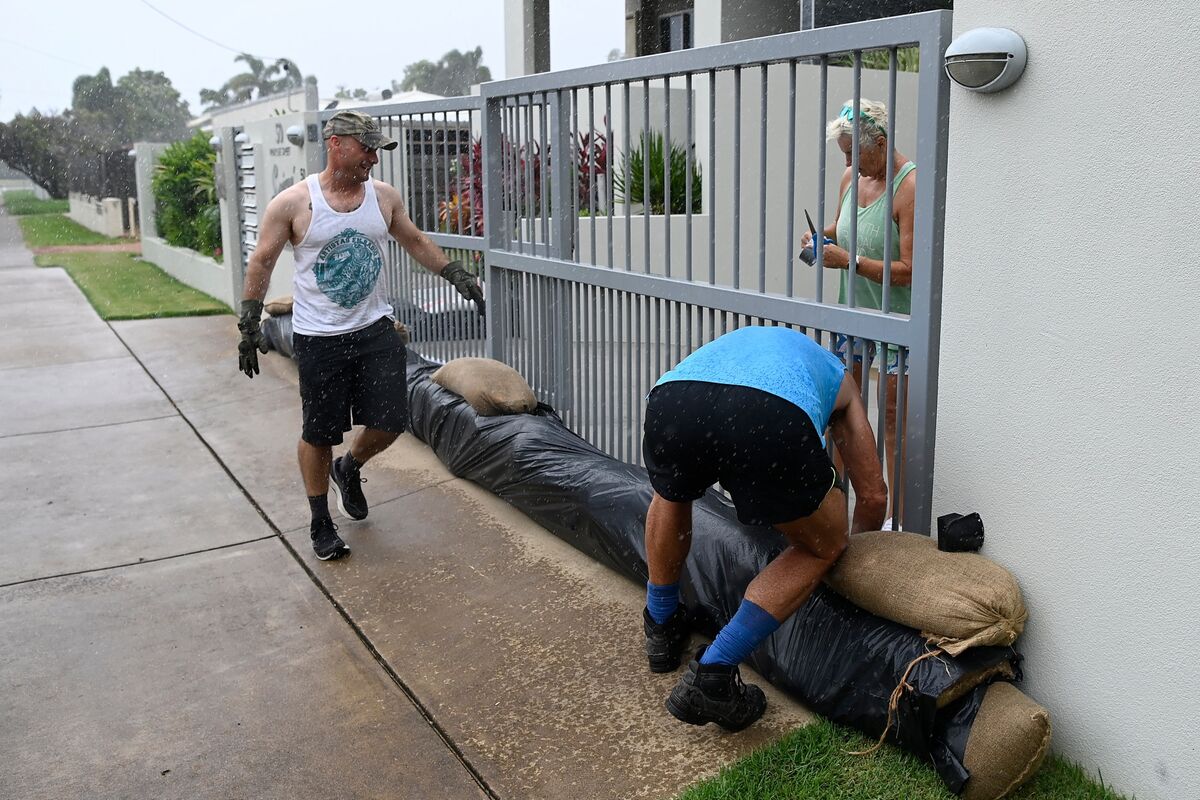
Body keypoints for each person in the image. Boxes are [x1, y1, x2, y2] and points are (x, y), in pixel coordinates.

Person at [236, 110, 484, 561]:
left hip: (375, 329)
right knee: (319, 434)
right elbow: (262, 261)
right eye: (366, 147)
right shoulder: (293, 204)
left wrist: (456, 273)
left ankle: (349, 468)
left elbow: (414, 240)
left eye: (376, 149)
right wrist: (250, 322)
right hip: (320, 338)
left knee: (390, 421)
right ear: (336, 144)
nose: (373, 157)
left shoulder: (383, 197)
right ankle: (320, 521)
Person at [641, 325, 887, 731]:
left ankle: (661, 625)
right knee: (821, 547)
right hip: (765, 414)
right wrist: (841, 554)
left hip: (673, 398)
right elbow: (874, 496)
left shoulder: (769, 348)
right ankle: (715, 674)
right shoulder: (841, 381)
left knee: (671, 495)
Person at [800, 98, 916, 516]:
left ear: (880, 143)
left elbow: (910, 270)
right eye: (844, 153)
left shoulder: (909, 186)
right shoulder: (852, 177)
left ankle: (894, 520)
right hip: (852, 318)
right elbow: (844, 229)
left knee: (891, 422)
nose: (848, 161)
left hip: (895, 324)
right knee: (842, 417)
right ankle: (833, 510)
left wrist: (848, 260)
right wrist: (821, 239)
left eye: (854, 152)